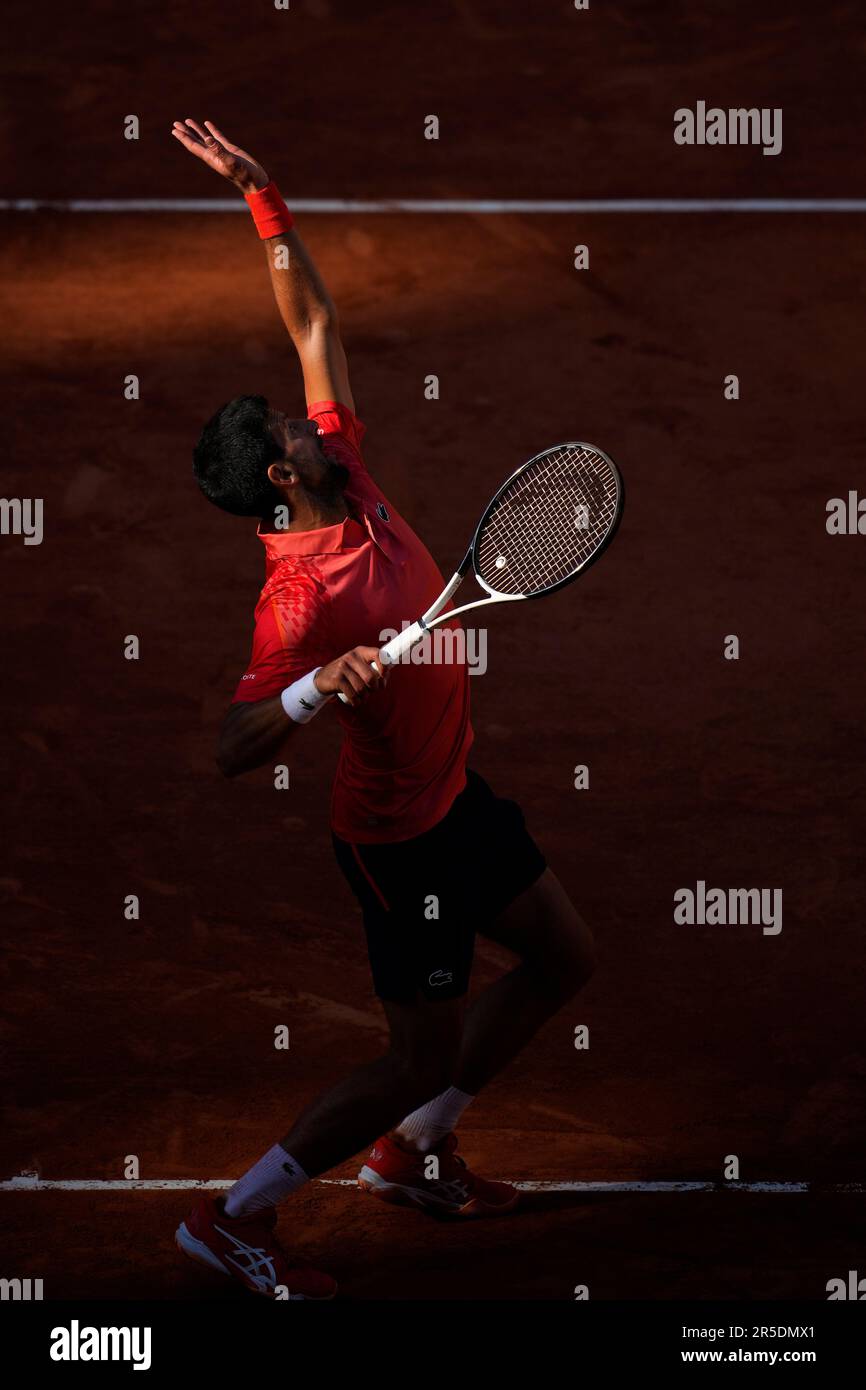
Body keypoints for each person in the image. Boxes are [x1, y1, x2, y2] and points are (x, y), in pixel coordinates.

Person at [171, 119, 596, 1299]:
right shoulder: (295, 605)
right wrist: (315, 689)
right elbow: (229, 748)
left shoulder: (342, 468)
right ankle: (232, 1216)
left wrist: (265, 201)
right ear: (277, 474)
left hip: (456, 795)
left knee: (564, 956)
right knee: (415, 1054)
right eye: (295, 429)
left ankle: (410, 1155)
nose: (315, 416)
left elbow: (314, 322)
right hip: (396, 842)